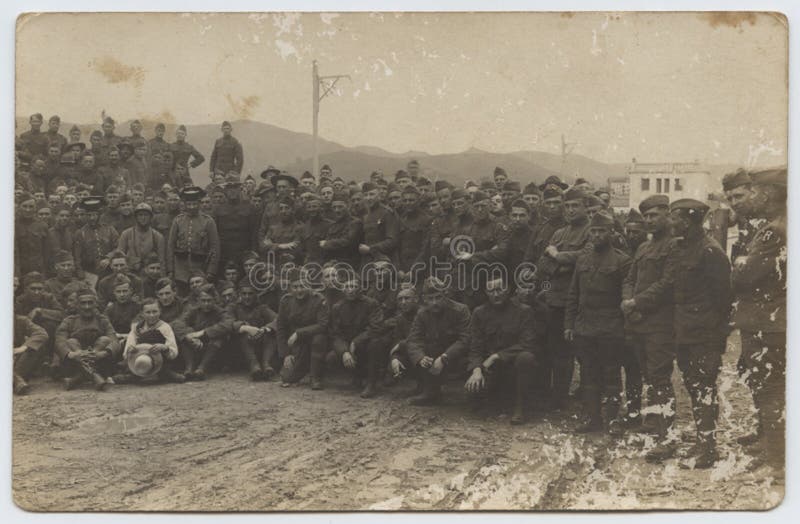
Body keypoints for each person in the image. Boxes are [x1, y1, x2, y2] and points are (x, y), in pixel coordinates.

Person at [634, 199, 732, 468]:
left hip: (704, 334)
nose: (670, 223)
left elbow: (724, 300)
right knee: (686, 384)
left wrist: (717, 338)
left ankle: (707, 447)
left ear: (688, 222)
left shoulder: (711, 251)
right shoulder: (679, 248)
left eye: (674, 219)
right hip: (681, 330)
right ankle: (680, 440)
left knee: (703, 389)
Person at [731, 168, 786, 473]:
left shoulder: (774, 230)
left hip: (767, 322)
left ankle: (778, 461)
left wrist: (739, 264)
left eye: (759, 191)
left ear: (773, 193)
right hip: (774, 320)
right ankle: (772, 450)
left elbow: (746, 275)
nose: (755, 197)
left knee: (770, 389)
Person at [565, 211, 632, 434]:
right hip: (585, 326)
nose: (596, 235)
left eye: (601, 231)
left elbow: (626, 295)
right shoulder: (582, 259)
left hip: (610, 327)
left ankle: (613, 420)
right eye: (593, 231)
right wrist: (569, 324)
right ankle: (592, 418)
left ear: (611, 233)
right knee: (588, 374)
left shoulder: (622, 260)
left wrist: (624, 326)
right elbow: (573, 294)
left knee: (611, 374)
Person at [622, 195, 676, 452]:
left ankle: (667, 436)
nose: (649, 221)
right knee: (647, 375)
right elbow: (629, 278)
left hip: (660, 323)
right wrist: (627, 301)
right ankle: (653, 421)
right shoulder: (643, 247)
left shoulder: (674, 246)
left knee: (660, 378)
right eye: (646, 216)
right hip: (638, 322)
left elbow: (667, 285)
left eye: (654, 215)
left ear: (666, 214)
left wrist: (636, 303)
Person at [535, 187, 589, 409]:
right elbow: (542, 264)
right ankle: (557, 396)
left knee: (581, 351)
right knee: (557, 349)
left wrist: (558, 257)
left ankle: (584, 396)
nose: (570, 210)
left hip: (579, 301)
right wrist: (561, 267)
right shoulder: (559, 233)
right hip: (556, 298)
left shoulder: (590, 231)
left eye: (575, 205)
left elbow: (586, 258)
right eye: (567, 206)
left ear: (585, 207)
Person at [465, 277, 539, 424]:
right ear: (486, 292)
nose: (496, 294)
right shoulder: (479, 313)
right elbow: (475, 346)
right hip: (490, 369)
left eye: (500, 289)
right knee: (472, 395)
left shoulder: (524, 311)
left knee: (527, 357)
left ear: (508, 290)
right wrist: (476, 369)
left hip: (514, 367)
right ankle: (494, 400)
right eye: (491, 290)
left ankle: (520, 408)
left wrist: (496, 356)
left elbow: (528, 343)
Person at [406, 277, 470, 405]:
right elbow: (413, 339)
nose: (434, 303)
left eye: (438, 297)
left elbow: (466, 339)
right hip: (434, 354)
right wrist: (420, 357)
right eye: (430, 299)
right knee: (415, 352)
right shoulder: (422, 314)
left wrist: (445, 357)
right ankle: (430, 391)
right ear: (424, 299)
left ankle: (472, 394)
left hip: (457, 356)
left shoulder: (461, 310)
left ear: (445, 295)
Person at [54, 286, 121, 390]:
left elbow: (114, 341)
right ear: (77, 305)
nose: (87, 307)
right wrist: (73, 354)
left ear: (95, 304)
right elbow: (59, 341)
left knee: (105, 340)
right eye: (83, 303)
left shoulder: (102, 320)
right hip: (74, 363)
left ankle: (77, 379)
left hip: (99, 360)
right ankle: (93, 375)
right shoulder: (69, 321)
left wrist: (102, 353)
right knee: (71, 341)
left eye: (90, 303)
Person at [328, 277, 384, 397]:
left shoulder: (371, 304)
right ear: (343, 290)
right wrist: (344, 352)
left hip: (366, 344)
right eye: (347, 287)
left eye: (353, 286)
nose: (350, 290)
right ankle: (356, 376)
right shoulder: (337, 307)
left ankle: (371, 384)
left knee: (376, 343)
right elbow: (335, 335)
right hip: (349, 347)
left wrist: (357, 341)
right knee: (331, 358)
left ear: (360, 288)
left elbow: (376, 328)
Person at [277, 268, 329, 389]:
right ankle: (303, 366)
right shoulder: (286, 301)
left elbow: (323, 325)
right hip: (296, 343)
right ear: (290, 288)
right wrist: (286, 354)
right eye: (295, 287)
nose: (299, 290)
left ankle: (315, 376)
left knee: (319, 339)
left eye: (302, 286)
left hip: (314, 339)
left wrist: (299, 333)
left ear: (308, 285)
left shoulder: (318, 299)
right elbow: (281, 328)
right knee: (287, 378)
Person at [113, 298, 185, 384]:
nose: (151, 315)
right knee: (136, 362)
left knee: (152, 335)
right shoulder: (137, 328)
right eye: (148, 312)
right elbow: (129, 346)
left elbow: (173, 351)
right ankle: (140, 375)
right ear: (142, 314)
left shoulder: (164, 327)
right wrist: (130, 350)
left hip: (161, 360)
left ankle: (164, 373)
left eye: (155, 312)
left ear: (160, 311)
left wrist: (164, 347)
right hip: (141, 359)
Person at [167, 186, 221, 295]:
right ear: (184, 204)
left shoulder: (208, 221)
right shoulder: (178, 220)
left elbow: (215, 247)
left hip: (200, 267)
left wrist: (211, 270)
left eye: (195, 204)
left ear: (199, 204)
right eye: (189, 204)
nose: (192, 207)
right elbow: (170, 246)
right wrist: (171, 269)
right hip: (181, 270)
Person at [179, 284, 232, 380]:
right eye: (203, 301)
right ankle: (189, 368)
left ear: (214, 300)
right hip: (196, 346)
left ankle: (202, 369)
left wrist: (204, 332)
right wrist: (190, 335)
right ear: (198, 301)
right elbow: (179, 322)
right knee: (183, 338)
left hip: (213, 350)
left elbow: (228, 324)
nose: (206, 304)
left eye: (209, 300)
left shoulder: (220, 311)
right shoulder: (193, 311)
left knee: (218, 338)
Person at [229, 279, 278, 381]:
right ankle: (254, 366)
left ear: (255, 295)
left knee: (270, 333)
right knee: (243, 335)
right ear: (239, 295)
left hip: (260, 345)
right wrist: (245, 327)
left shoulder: (262, 308)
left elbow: (277, 319)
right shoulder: (233, 307)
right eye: (244, 294)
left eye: (250, 294)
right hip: (239, 349)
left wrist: (265, 329)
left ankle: (266, 364)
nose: (247, 297)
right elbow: (227, 322)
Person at [213, 176, 259, 273]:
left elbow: (254, 232)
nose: (232, 191)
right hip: (224, 252)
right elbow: (215, 232)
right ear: (225, 191)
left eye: (235, 188)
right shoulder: (218, 209)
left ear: (240, 189)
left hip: (244, 251)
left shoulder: (250, 208)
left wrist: (253, 252)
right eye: (229, 189)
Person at [117, 203, 167, 273]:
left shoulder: (158, 236)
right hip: (130, 272)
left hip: (151, 273)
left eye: (146, 215)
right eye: (140, 215)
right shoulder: (126, 234)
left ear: (150, 217)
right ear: (136, 217)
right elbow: (120, 255)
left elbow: (161, 260)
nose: (143, 218)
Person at [359, 182, 399, 265]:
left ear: (378, 195)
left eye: (372, 194)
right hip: (368, 261)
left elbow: (392, 241)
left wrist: (371, 249)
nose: (368, 198)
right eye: (366, 195)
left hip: (385, 260)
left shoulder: (387, 213)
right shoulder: (366, 216)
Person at [15, 192, 50, 277]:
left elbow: (46, 252)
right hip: (19, 270)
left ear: (35, 208)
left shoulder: (42, 226)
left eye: (31, 207)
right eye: (25, 206)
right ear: (19, 207)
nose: (28, 210)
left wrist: (45, 271)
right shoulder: (13, 225)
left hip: (38, 269)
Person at [14, 313, 49, 395]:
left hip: (16, 360)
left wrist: (23, 347)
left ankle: (16, 380)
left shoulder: (20, 320)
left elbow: (41, 334)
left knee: (34, 347)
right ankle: (16, 380)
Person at [103, 273, 141, 338]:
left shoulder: (138, 307)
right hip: (115, 338)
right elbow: (106, 327)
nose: (122, 294)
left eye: (125, 291)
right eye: (118, 291)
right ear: (114, 292)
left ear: (131, 291)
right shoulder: (110, 309)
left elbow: (139, 328)